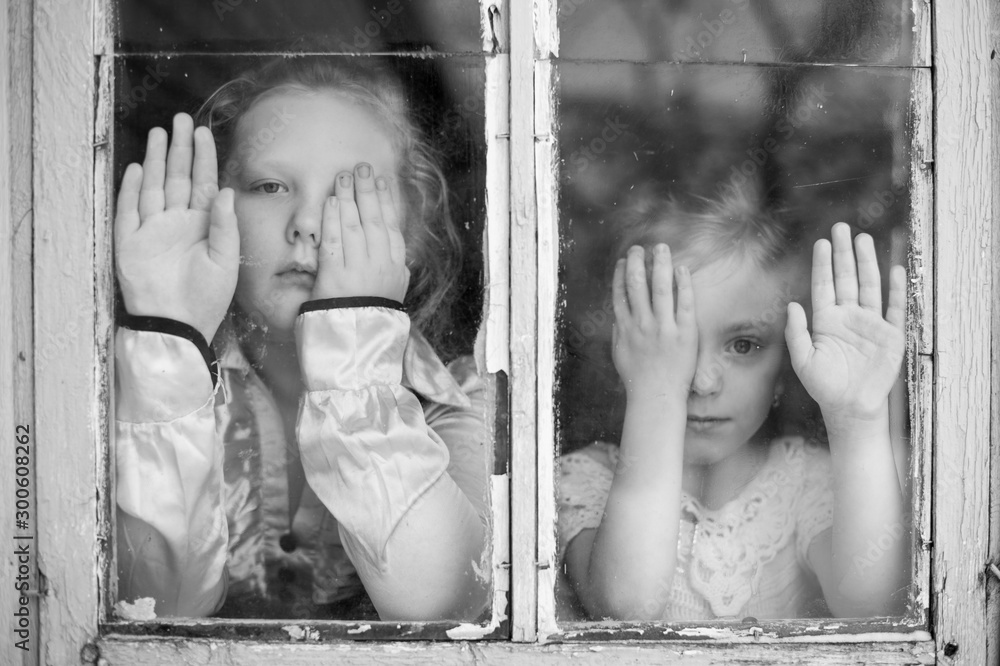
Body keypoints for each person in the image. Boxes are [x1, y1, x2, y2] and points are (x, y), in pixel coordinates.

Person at [113, 57, 490, 621]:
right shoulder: (131, 381)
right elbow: (151, 609)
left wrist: (356, 338)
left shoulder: (465, 403)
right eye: (270, 186)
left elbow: (442, 607)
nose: (308, 222)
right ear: (215, 212)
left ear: (410, 237)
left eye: (353, 191)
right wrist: (169, 333)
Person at [557, 193, 907, 620]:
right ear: (622, 353)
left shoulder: (802, 483)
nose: (704, 381)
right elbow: (626, 607)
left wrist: (857, 420)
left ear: (783, 368)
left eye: (744, 345)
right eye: (673, 345)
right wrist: (656, 395)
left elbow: (869, 606)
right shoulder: (585, 481)